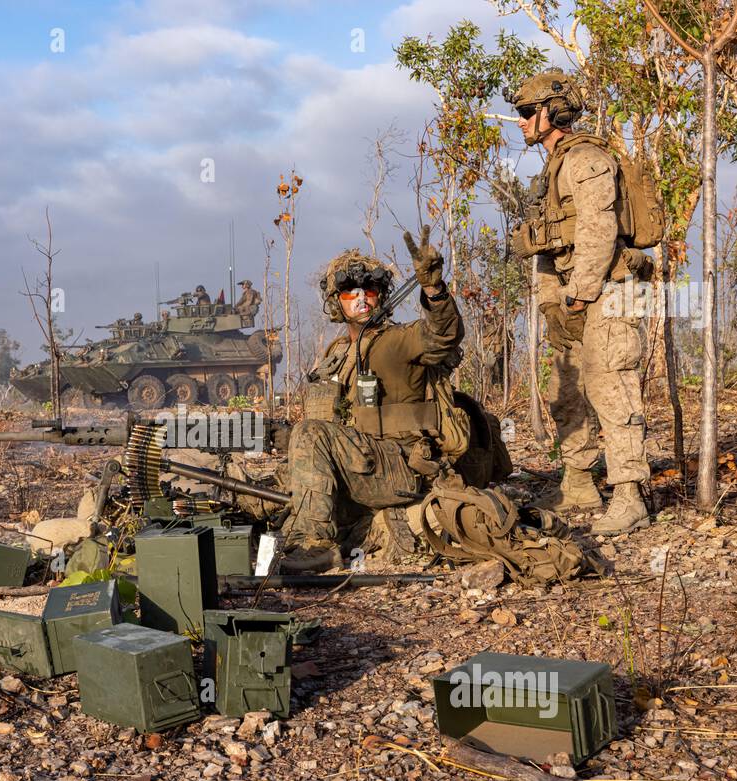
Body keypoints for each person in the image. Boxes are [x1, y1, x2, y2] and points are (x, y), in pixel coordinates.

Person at [508, 68, 651, 536]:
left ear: (554, 112)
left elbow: (598, 229)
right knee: (566, 392)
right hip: (572, 296)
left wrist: (581, 293)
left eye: (529, 112)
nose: (522, 121)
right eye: (521, 113)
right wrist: (554, 303)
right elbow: (553, 245)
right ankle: (578, 482)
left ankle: (630, 495)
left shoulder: (586, 159)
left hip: (608, 292)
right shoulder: (552, 168)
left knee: (612, 389)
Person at [278, 228, 466, 572]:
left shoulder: (399, 341)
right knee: (268, 486)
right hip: (361, 468)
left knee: (309, 434)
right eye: (351, 290)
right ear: (337, 301)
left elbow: (444, 335)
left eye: (371, 289)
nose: (362, 297)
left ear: (382, 296)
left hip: (402, 469)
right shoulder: (338, 353)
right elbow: (334, 427)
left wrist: (434, 289)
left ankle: (315, 546)